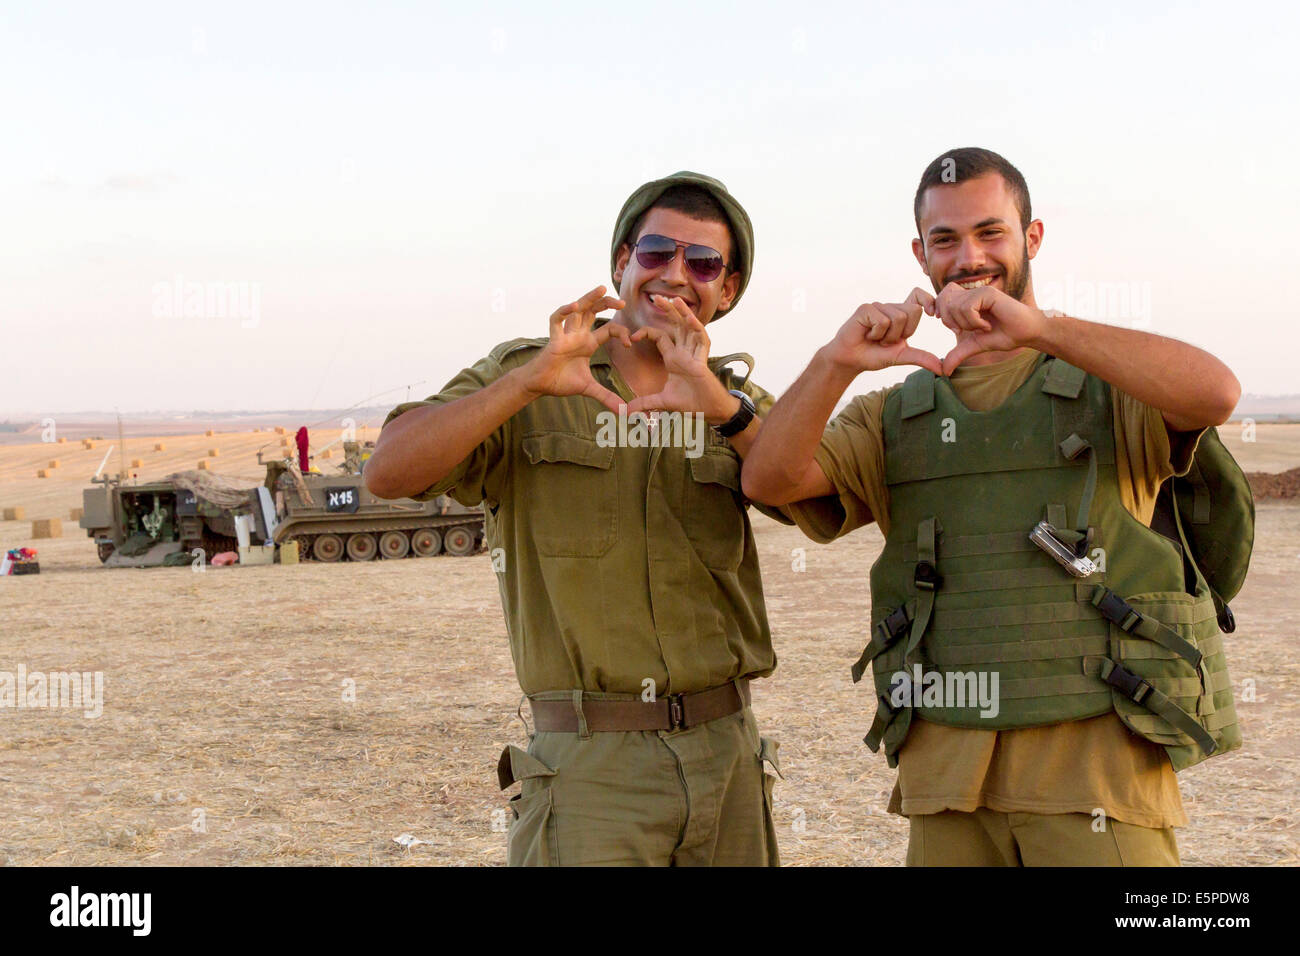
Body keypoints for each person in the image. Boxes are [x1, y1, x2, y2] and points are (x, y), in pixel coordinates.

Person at [742, 147, 1242, 866]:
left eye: (990, 233)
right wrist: (835, 362)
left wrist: (1043, 330)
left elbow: (1215, 393)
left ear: (1031, 239)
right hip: (948, 780)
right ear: (920, 254)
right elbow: (771, 481)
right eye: (945, 240)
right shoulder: (892, 415)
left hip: (1096, 778)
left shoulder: (1105, 387)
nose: (968, 257)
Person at [365, 171, 790, 866]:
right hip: (593, 770)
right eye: (657, 253)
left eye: (704, 262)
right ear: (622, 262)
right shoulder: (537, 375)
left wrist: (725, 410)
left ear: (728, 290)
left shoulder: (737, 401)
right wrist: (524, 383)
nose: (677, 275)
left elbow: (816, 498)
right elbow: (390, 471)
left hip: (728, 758)